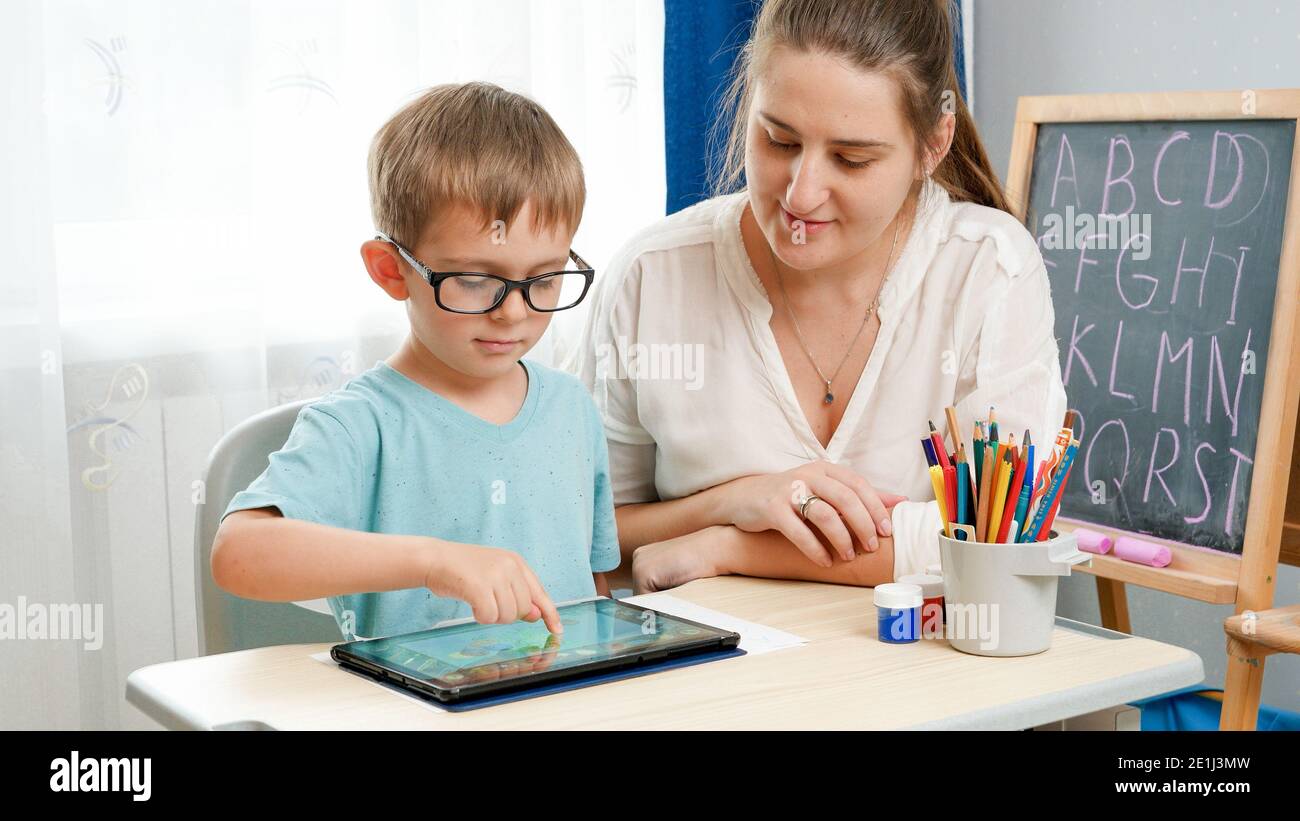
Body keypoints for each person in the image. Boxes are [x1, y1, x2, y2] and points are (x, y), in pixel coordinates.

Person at [565, 0, 1067, 593]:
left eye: (851, 159)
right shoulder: (652, 277)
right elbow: (584, 536)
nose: (800, 195)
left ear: (933, 144)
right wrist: (737, 500)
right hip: (714, 679)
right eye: (779, 141)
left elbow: (1002, 536)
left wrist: (730, 548)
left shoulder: (989, 268)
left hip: (931, 678)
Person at [213, 82, 619, 640]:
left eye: (544, 279)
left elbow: (597, 597)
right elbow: (238, 553)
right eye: (476, 281)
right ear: (390, 269)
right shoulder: (360, 426)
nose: (514, 313)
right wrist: (433, 561)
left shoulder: (571, 409)